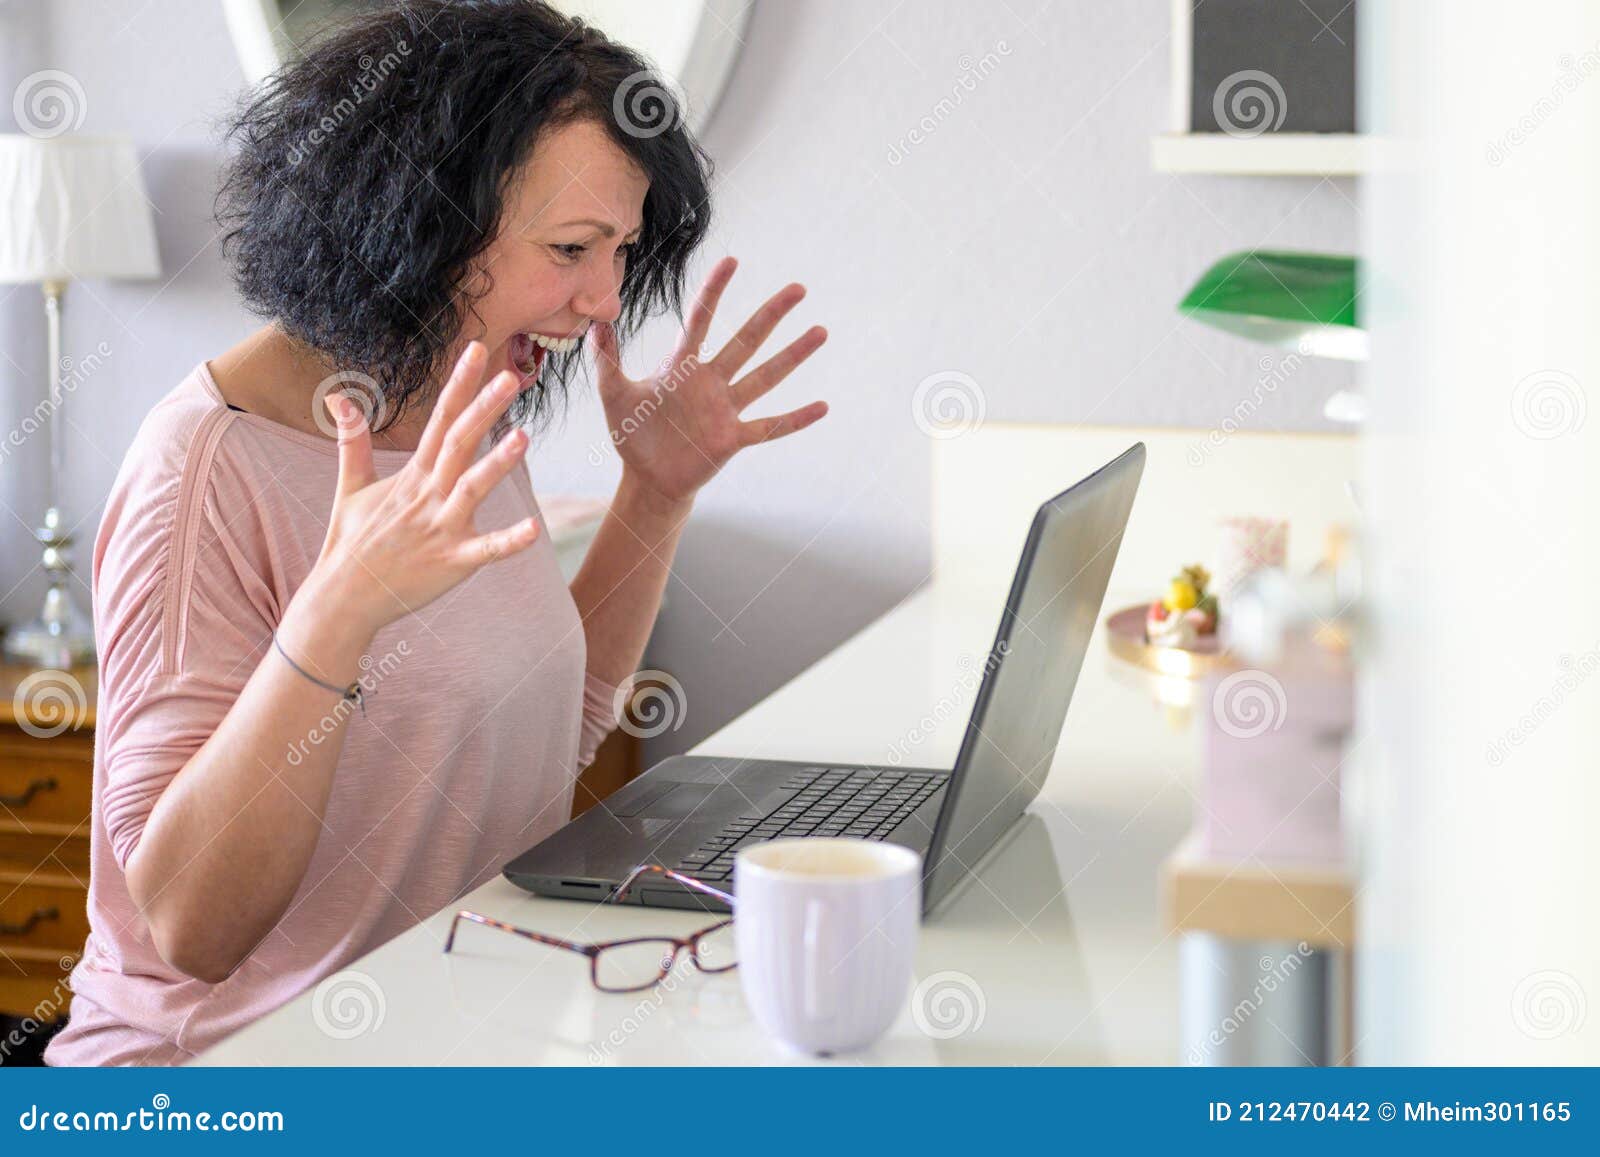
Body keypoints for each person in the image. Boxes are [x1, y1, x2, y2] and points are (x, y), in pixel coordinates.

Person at [45, 0, 827, 1065]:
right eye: (569, 248)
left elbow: (549, 726)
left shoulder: (458, 400)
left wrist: (655, 493)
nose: (604, 301)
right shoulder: (205, 467)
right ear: (415, 224)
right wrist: (334, 620)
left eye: (621, 251)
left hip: (440, 1042)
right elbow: (192, 926)